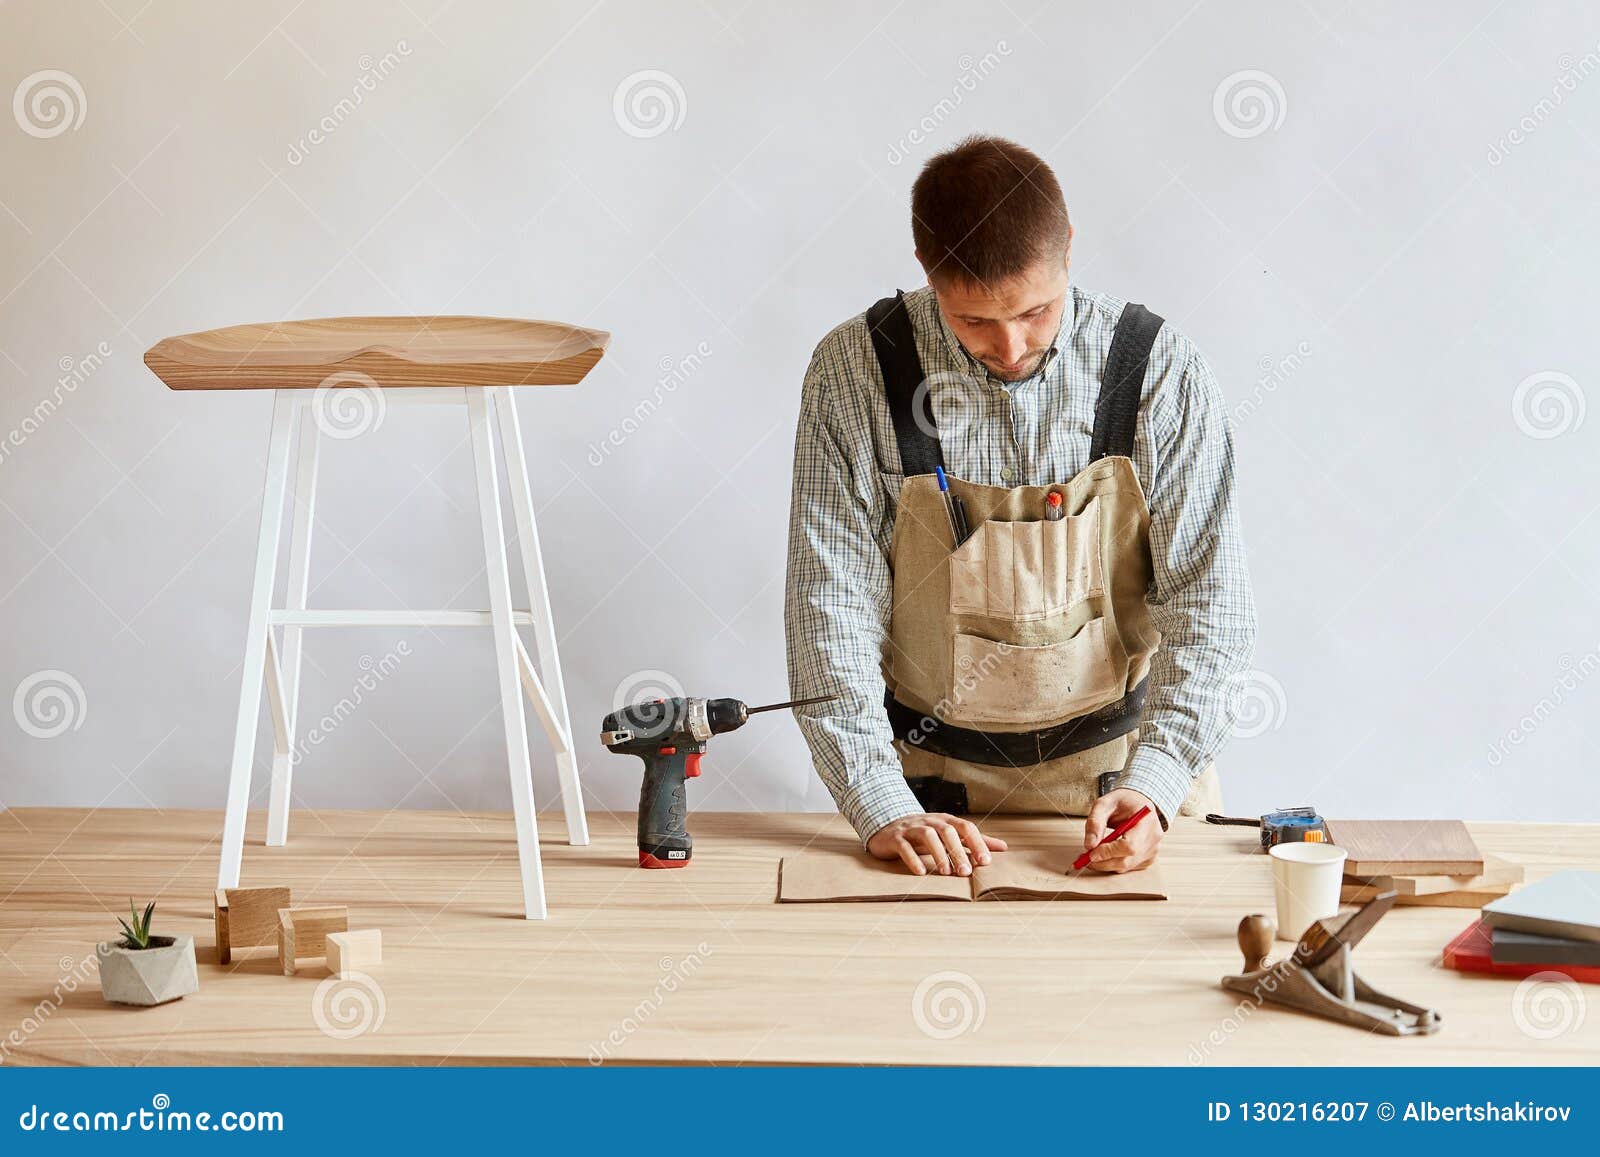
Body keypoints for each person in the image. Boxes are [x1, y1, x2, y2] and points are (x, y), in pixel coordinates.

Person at [784, 134, 1256, 877]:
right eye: (973, 321)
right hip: (928, 803)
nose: (1009, 345)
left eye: (1036, 310)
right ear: (927, 273)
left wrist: (1158, 782)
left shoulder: (1162, 371)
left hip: (1127, 784)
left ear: (1069, 248)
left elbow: (1212, 605)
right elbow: (828, 608)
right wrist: (879, 799)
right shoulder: (855, 371)